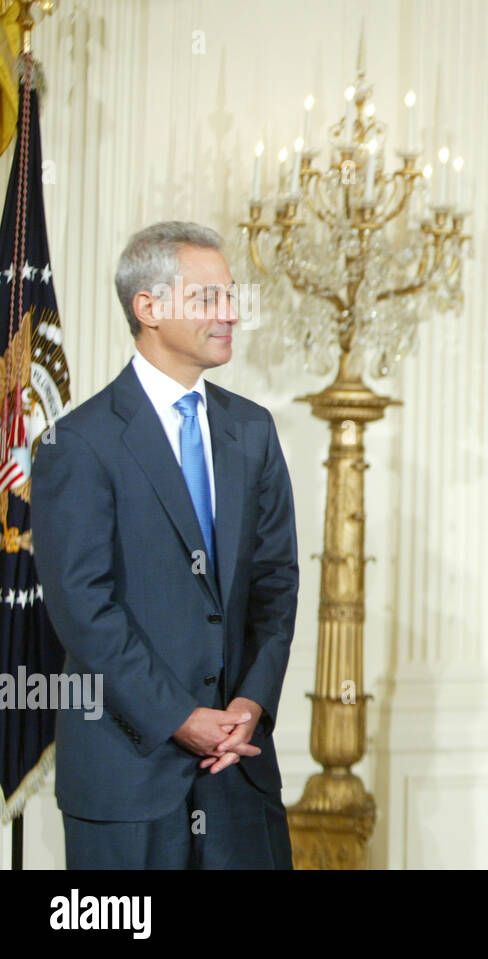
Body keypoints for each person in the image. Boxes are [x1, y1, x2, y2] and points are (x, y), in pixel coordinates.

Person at [31, 221, 299, 869]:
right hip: (128, 777)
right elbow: (84, 611)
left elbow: (276, 583)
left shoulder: (252, 430)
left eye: (231, 295)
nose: (231, 312)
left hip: (239, 769)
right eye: (209, 298)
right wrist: (180, 715)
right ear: (148, 307)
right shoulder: (80, 444)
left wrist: (249, 703)